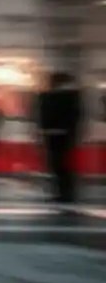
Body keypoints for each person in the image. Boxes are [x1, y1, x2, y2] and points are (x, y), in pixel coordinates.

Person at [37, 72, 82, 204]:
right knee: (62, 164)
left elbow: (44, 115)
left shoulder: (50, 96)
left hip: (53, 133)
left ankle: (62, 192)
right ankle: (65, 192)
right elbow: (75, 117)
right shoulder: (72, 97)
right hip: (64, 134)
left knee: (57, 164)